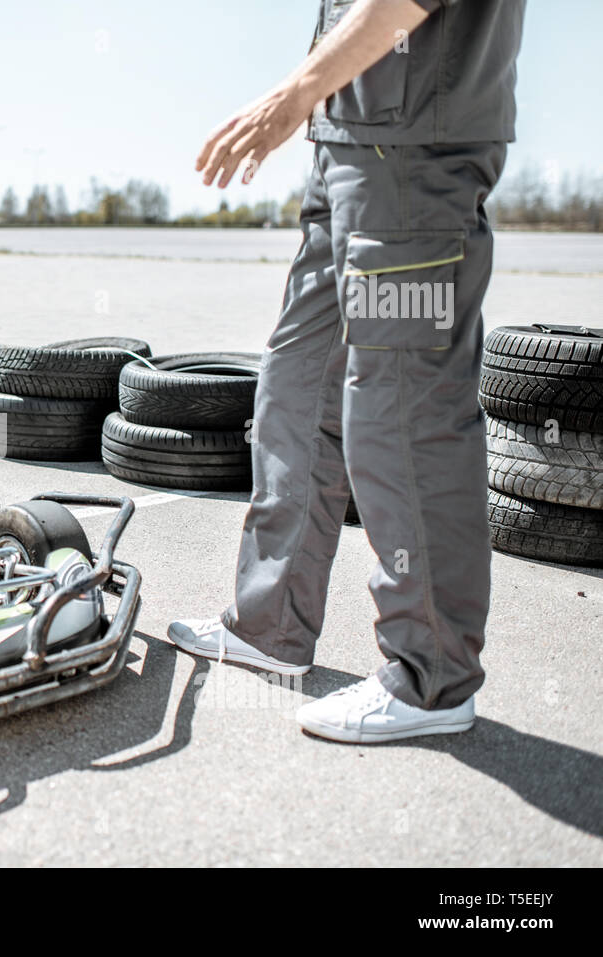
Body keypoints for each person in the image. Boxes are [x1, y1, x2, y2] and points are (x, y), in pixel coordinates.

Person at [168, 0, 525, 742]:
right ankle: (271, 623)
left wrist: (291, 94)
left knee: (403, 405)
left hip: (416, 147)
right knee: (296, 387)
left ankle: (431, 677)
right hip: (349, 143)